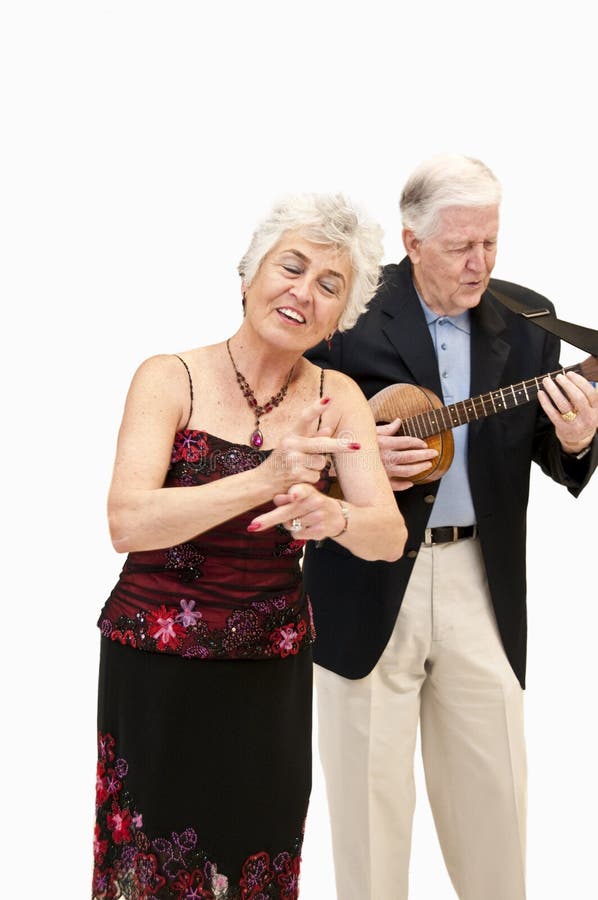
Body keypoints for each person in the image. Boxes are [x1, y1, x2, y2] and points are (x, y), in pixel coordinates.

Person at [91, 193, 407, 899]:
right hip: (156, 666)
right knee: (150, 874)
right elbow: (127, 522)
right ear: (248, 276)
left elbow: (388, 536)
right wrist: (265, 479)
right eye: (290, 267)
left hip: (270, 672)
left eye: (330, 285)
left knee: (255, 870)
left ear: (340, 317)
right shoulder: (169, 376)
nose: (304, 292)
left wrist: (335, 516)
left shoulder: (338, 397)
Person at [303, 155, 598, 900]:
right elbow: (287, 428)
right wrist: (357, 458)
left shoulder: (527, 320)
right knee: (370, 815)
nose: (481, 263)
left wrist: (577, 440)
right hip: (365, 572)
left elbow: (550, 449)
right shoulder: (348, 309)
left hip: (479, 580)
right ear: (412, 242)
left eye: (491, 242)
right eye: (462, 246)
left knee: (495, 807)